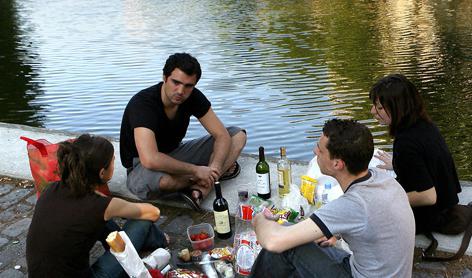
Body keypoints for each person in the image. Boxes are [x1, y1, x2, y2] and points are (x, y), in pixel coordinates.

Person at [250, 119, 415, 278]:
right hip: (376, 269)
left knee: (285, 247)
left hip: (357, 273)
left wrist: (260, 219)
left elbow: (273, 241)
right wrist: (337, 234)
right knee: (297, 237)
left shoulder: (353, 204)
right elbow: (375, 224)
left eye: (320, 150)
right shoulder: (382, 179)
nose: (315, 152)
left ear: (337, 164)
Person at [26, 134, 168, 278]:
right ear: (102, 172)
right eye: (112, 161)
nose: (114, 163)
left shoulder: (51, 188)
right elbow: (154, 212)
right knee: (141, 221)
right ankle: (158, 240)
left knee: (104, 220)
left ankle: (144, 243)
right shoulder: (100, 205)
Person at [120, 53, 246, 210]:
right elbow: (150, 159)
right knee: (165, 181)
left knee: (237, 136)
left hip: (175, 153)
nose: (181, 91)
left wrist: (215, 167)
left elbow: (221, 135)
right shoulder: (143, 104)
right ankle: (213, 177)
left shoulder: (192, 97)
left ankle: (202, 189)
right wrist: (196, 170)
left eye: (188, 86)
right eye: (176, 82)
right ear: (165, 77)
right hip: (141, 168)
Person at [370, 73, 461, 234]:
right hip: (447, 203)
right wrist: (397, 164)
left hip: (430, 216)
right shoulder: (423, 125)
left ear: (398, 107)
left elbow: (428, 196)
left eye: (379, 107)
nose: (373, 111)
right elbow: (427, 162)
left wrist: (389, 200)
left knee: (369, 211)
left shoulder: (406, 142)